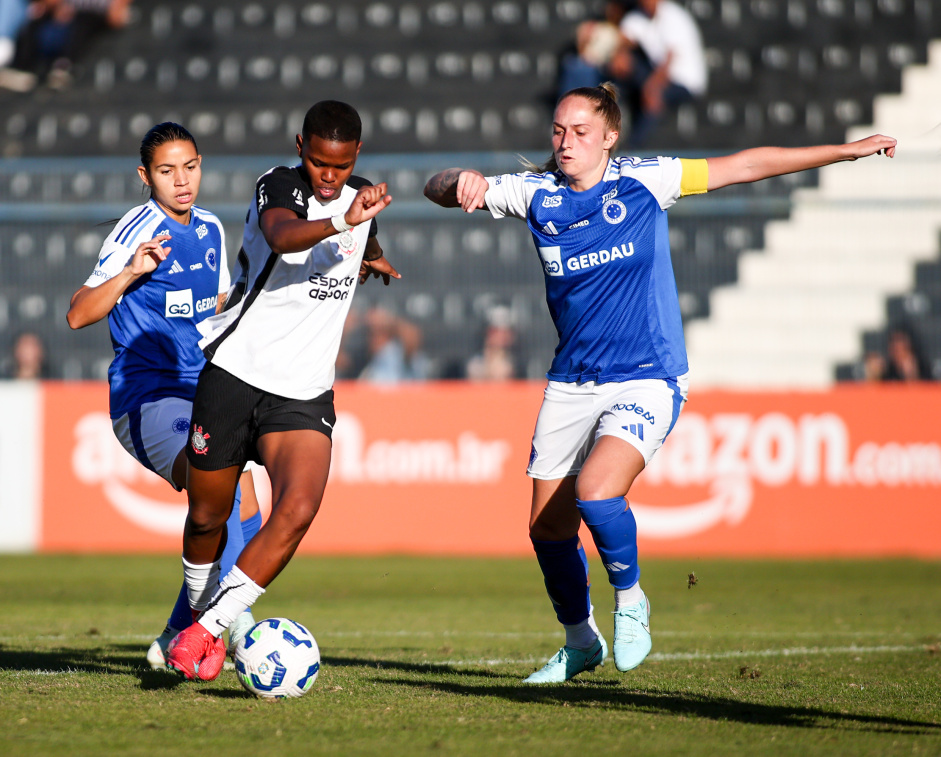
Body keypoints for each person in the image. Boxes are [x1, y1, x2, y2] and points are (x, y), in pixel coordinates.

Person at [423, 83, 896, 683]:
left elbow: (746, 165)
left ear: (610, 138)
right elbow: (432, 187)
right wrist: (456, 181)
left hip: (646, 376)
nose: (567, 143)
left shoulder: (647, 179)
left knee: (597, 492)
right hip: (572, 381)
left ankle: (631, 602)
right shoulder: (534, 193)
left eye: (581, 132)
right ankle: (580, 642)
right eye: (559, 131)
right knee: (547, 529)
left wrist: (843, 151)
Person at [163, 100, 395, 681]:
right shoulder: (279, 186)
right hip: (235, 373)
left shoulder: (360, 197)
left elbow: (363, 239)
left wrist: (376, 258)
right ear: (300, 147)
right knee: (207, 517)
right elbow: (284, 237)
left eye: (339, 167)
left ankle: (203, 632)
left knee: (298, 507)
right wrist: (346, 223)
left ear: (356, 157)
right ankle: (194, 609)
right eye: (318, 162)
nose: (328, 176)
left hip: (303, 392)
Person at [65, 121, 264, 671]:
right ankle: (235, 630)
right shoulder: (137, 229)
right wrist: (131, 272)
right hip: (148, 395)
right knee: (213, 492)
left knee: (248, 513)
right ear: (145, 175)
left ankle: (177, 636)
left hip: (206, 390)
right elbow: (79, 313)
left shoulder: (209, 227)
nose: (182, 181)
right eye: (166, 170)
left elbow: (219, 305)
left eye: (191, 167)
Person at [612, 0, 707, 148]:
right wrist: (620, 54)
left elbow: (669, 62)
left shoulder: (674, 17)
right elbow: (622, 41)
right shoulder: (637, 16)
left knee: (654, 96)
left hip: (684, 81)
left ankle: (635, 148)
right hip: (656, 74)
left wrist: (652, 88)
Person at [0, 0, 131, 92]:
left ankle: (63, 66)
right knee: (36, 16)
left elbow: (116, 15)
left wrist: (118, 8)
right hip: (70, 13)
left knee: (83, 24)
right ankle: (22, 67)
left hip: (95, 14)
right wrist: (59, 7)